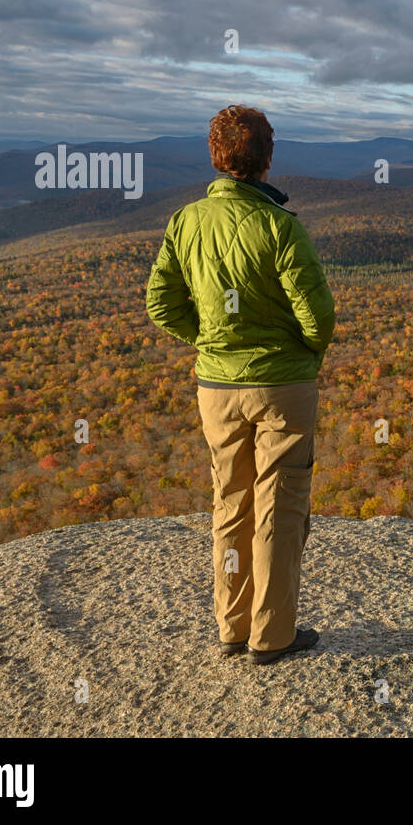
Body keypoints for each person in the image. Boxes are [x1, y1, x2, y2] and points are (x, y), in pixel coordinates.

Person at [145, 105, 335, 665]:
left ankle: (231, 627)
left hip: (216, 389)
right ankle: (272, 637)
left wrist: (210, 342)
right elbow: (318, 320)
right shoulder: (281, 227)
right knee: (279, 503)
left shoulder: (185, 221)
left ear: (214, 155)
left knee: (230, 501)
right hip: (283, 387)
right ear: (268, 160)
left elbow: (160, 304)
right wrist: (300, 354)